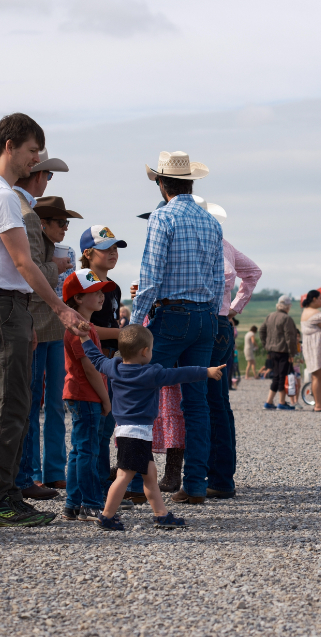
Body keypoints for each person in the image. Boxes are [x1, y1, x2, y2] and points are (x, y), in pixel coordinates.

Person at [0, 114, 87, 528]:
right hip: (1, 305)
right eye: (32, 151)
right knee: (12, 406)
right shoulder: (2, 196)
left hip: (7, 307)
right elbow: (23, 260)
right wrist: (59, 308)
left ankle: (8, 494)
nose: (36, 160)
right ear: (10, 147)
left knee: (18, 404)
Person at [129, 150, 223, 505]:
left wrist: (135, 324)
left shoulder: (162, 218)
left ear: (161, 183)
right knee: (196, 404)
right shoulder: (211, 222)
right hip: (204, 315)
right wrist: (210, 316)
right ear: (190, 182)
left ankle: (137, 484)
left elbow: (150, 278)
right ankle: (195, 484)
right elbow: (217, 280)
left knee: (139, 391)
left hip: (172, 315)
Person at [85, 325, 225, 530]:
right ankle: (106, 516)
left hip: (125, 432)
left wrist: (83, 339)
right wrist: (206, 371)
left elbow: (96, 358)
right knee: (124, 477)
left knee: (150, 476)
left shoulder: (113, 368)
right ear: (144, 351)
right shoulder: (151, 374)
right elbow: (180, 374)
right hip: (138, 435)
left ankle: (161, 515)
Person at [12, 150, 74, 501]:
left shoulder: (40, 236)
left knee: (52, 404)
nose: (64, 228)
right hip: (38, 326)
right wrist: (57, 267)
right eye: (61, 222)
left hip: (51, 329)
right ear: (45, 223)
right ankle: (35, 471)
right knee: (34, 402)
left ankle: (52, 469)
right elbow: (31, 274)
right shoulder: (29, 226)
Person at [77, 224, 141, 503]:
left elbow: (112, 324)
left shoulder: (112, 288)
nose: (113, 253)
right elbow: (86, 328)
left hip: (112, 360)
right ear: (88, 253)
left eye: (116, 248)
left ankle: (106, 481)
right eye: (106, 248)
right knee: (98, 427)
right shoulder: (81, 284)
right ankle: (98, 484)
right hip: (94, 359)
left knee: (110, 424)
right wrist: (123, 334)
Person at [59, 269, 115, 523]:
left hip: (79, 394)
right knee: (88, 451)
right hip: (87, 395)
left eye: (102, 290)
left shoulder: (86, 326)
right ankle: (91, 504)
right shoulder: (81, 328)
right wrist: (105, 398)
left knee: (79, 450)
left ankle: (73, 502)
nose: (102, 296)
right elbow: (90, 369)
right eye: (95, 292)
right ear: (78, 298)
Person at [208, 236, 261, 499]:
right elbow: (252, 272)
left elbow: (231, 273)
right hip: (222, 323)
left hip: (210, 320)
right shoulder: (223, 241)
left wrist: (228, 307)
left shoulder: (211, 240)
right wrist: (234, 308)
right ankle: (221, 475)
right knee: (218, 401)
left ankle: (218, 478)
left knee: (209, 402)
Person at [260, 294, 299, 410]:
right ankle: (281, 402)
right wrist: (292, 353)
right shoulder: (287, 319)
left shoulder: (269, 316)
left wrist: (266, 345)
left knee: (276, 376)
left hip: (272, 350)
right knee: (282, 376)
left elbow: (262, 331)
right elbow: (290, 337)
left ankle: (269, 401)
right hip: (283, 351)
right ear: (287, 307)